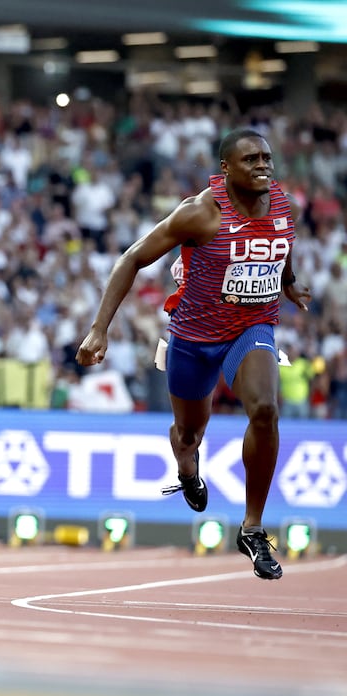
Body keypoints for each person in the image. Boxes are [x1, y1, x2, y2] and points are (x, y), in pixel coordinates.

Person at [76, 128, 310, 581]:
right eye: (251, 159)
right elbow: (131, 259)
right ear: (226, 168)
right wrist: (99, 329)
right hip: (194, 338)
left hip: (252, 327)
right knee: (189, 432)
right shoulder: (199, 213)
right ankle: (187, 467)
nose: (263, 165)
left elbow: (278, 249)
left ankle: (253, 527)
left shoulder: (282, 203)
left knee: (265, 409)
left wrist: (288, 282)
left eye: (267, 157)